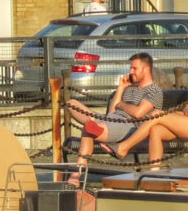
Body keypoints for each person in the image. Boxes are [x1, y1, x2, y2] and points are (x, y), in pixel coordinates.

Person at [105, 48, 188, 169]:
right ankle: (154, 171)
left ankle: (124, 147)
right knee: (155, 130)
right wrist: (186, 110)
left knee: (157, 113)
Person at [66, 52, 163, 184]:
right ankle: (97, 130)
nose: (131, 71)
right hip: (111, 120)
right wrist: (121, 87)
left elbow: (138, 113)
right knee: (72, 104)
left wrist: (121, 105)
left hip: (129, 126)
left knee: (88, 129)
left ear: (146, 70)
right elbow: (112, 112)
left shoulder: (154, 91)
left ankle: (76, 174)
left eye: (134, 68)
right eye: (131, 68)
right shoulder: (129, 87)